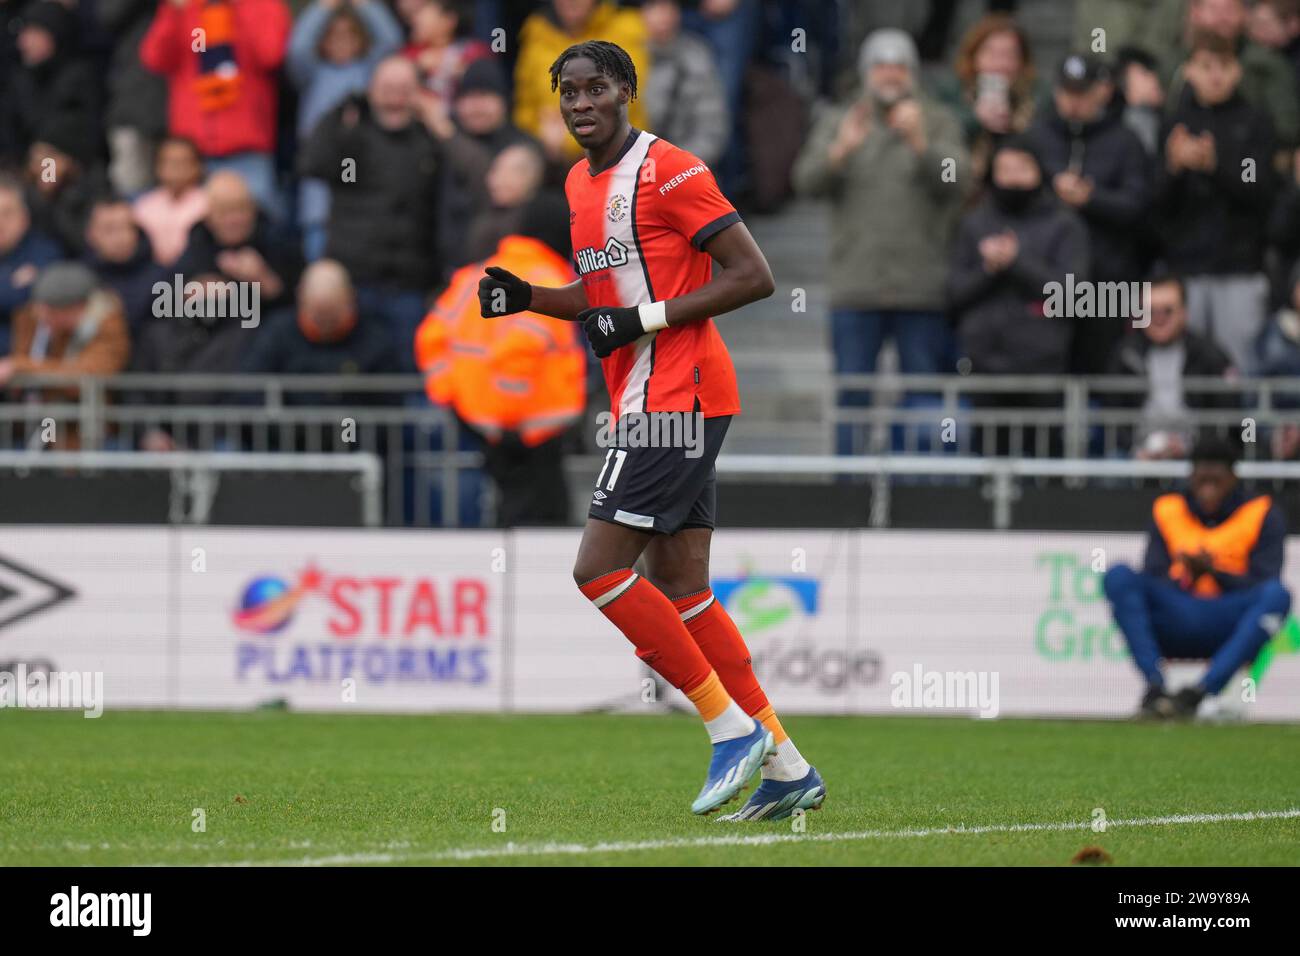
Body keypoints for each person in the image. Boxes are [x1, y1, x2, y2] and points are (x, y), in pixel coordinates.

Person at [477, 40, 823, 820]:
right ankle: (787, 765)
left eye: (596, 88)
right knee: (685, 590)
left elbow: (753, 275)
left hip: (678, 395)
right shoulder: (577, 181)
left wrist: (641, 318)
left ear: (628, 90)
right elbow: (604, 296)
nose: (580, 104)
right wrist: (530, 297)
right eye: (567, 92)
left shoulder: (672, 169)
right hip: (653, 394)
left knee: (597, 570)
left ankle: (729, 730)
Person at [793, 28, 969, 455]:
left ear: (911, 73)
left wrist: (921, 144)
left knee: (922, 397)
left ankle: (921, 489)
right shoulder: (842, 118)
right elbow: (804, 182)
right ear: (866, 71)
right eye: (881, 65)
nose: (890, 74)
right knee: (852, 397)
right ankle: (848, 492)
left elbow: (960, 178)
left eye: (899, 65)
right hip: (857, 285)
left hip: (921, 286)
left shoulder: (938, 117)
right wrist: (840, 151)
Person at [417, 194, 585, 526]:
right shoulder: (547, 283)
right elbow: (515, 352)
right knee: (542, 526)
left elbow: (431, 338)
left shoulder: (472, 276)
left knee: (504, 518)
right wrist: (510, 426)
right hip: (529, 434)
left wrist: (453, 399)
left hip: (483, 425)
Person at [1103, 434, 1291, 718]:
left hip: (1228, 617)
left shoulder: (1262, 512)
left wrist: (1214, 572)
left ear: (1233, 477)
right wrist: (1188, 576)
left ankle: (1198, 694)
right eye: (1202, 478)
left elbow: (1265, 582)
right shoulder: (1168, 509)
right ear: (1191, 476)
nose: (1208, 487)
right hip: (1177, 611)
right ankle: (1156, 687)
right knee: (1118, 575)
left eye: (1217, 479)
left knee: (1278, 595)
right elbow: (1154, 575)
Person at [299, 56, 442, 369]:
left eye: (404, 88)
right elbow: (311, 163)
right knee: (354, 372)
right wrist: (340, 114)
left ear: (418, 93)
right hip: (354, 280)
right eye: (387, 87)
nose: (395, 97)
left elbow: (462, 187)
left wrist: (442, 126)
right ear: (371, 91)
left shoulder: (429, 139)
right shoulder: (350, 129)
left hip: (411, 284)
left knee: (410, 371)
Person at [1155, 30, 1275, 375]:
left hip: (1238, 271)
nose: (1215, 75)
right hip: (1185, 271)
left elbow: (1258, 189)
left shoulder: (1254, 123)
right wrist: (1174, 169)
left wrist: (1214, 167)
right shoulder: (1174, 123)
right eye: (1205, 66)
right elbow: (1155, 206)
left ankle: (1243, 433)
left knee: (1239, 371)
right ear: (1189, 71)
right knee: (1185, 370)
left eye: (1223, 66)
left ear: (1237, 71)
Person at [1029, 54, 1154, 373]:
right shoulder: (1037, 136)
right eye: (1067, 92)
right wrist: (1051, 195)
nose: (1073, 102)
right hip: (1047, 277)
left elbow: (1139, 207)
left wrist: (1091, 198)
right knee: (1047, 368)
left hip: (1107, 280)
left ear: (1101, 92)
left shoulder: (1125, 140)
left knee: (1105, 372)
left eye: (1082, 93)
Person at [140, 0, 292, 218]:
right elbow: (156, 58)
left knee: (259, 226)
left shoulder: (261, 5)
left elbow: (271, 53)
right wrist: (173, 11)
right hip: (193, 157)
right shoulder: (190, 8)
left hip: (247, 150)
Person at [288, 0, 405, 262]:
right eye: (333, 35)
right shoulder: (312, 73)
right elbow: (298, 49)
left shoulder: (371, 71)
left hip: (365, 195)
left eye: (349, 34)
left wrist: (363, 4)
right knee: (321, 269)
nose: (341, 41)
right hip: (320, 203)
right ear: (323, 40)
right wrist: (324, 7)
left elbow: (391, 41)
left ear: (361, 37)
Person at [0, 262, 130, 448]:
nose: (42, 316)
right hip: (33, 425)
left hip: (83, 433)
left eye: (52, 312)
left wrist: (18, 366)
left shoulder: (107, 326)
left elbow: (85, 376)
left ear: (77, 308)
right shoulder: (31, 318)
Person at [1104, 274, 1234, 459]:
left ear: (1184, 312)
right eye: (1150, 311)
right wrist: (1136, 450)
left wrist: (1191, 447)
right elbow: (1111, 417)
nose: (1159, 318)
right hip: (1136, 454)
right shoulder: (1125, 354)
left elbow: (1227, 416)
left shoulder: (1209, 354)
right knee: (1112, 470)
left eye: (1167, 311)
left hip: (1195, 457)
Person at [512, 1, 650, 165]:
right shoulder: (537, 32)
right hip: (546, 153)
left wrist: (567, 140)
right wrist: (540, 135)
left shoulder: (624, 28)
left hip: (617, 153)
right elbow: (525, 106)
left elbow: (625, 100)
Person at [640, 0, 728, 168]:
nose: (662, 17)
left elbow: (712, 128)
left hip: (685, 168)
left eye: (669, 7)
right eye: (654, 8)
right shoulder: (624, 54)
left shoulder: (697, 56)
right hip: (631, 170)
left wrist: (674, 166)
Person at [82, 196, 166, 334]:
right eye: (110, 229)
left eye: (128, 227)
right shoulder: (80, 278)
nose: (122, 237)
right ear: (91, 234)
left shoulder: (162, 279)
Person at [0, 177, 61, 353]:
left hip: (23, 363)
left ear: (24, 217)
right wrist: (10, 283)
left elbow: (32, 296)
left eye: (8, 213)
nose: (1, 222)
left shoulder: (45, 252)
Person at [132, 137, 210, 268]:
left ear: (198, 167)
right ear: (157, 167)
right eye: (169, 162)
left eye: (183, 162)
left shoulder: (209, 202)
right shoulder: (143, 205)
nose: (175, 168)